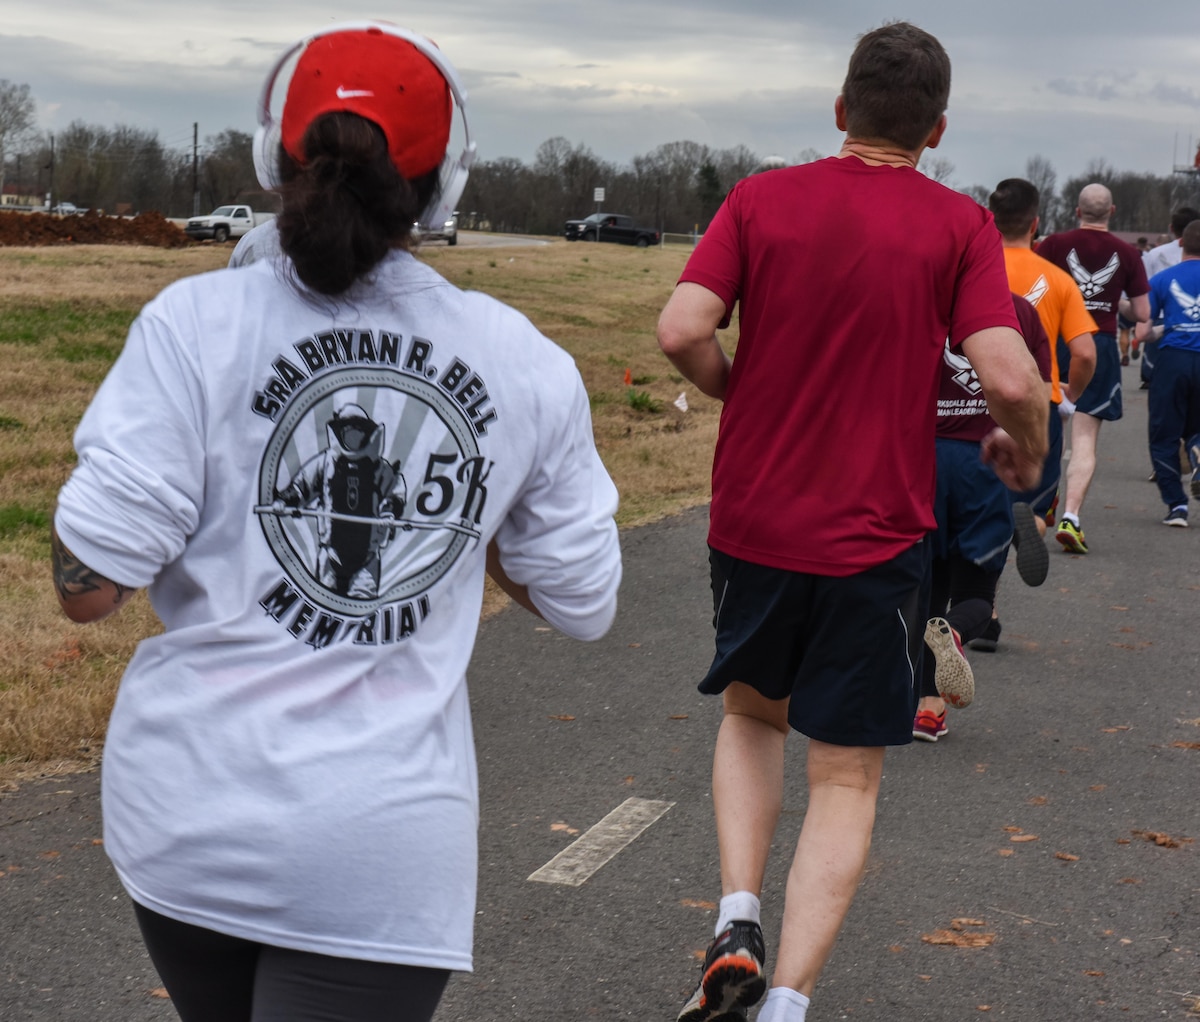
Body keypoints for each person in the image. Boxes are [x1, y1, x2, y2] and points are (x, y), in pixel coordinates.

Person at [50, 23, 621, 1022]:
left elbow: (87, 585)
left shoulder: (191, 324)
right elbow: (583, 600)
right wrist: (460, 505)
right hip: (379, 851)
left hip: (185, 822)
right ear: (442, 187)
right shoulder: (521, 360)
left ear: (275, 158)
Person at [655, 22, 1047, 1022]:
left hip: (754, 520)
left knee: (750, 714)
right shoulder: (956, 224)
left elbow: (680, 327)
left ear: (840, 110)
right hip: (877, 534)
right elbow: (1008, 375)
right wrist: (1028, 454)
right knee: (847, 776)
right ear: (936, 130)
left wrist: (736, 388)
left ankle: (735, 914)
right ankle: (787, 1000)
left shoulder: (760, 198)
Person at [965, 179, 1098, 651]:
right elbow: (1083, 352)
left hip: (968, 398)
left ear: (989, 217)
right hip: (1036, 401)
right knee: (1026, 502)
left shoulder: (967, 269)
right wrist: (1067, 394)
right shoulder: (1057, 279)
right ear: (1036, 223)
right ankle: (1032, 527)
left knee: (973, 503)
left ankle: (985, 613)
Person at [913, 294, 1053, 740]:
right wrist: (1035, 460)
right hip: (986, 459)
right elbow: (1034, 392)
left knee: (927, 589)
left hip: (922, 463)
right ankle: (956, 634)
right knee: (975, 591)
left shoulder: (919, 300)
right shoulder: (1019, 312)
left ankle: (927, 710)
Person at [1036, 183, 1150, 553]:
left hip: (1055, 341)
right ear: (1112, 211)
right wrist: (1114, 303)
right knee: (1085, 438)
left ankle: (1044, 500)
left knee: (1052, 427)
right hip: (1096, 342)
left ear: (1076, 211)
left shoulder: (1052, 245)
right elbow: (1143, 313)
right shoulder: (1128, 253)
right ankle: (1072, 517)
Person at [1139, 219, 1200, 524]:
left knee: (1164, 432)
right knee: (1197, 427)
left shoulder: (1163, 279)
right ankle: (1198, 450)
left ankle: (1177, 506)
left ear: (1181, 244)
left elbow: (1142, 332)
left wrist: (1167, 329)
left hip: (1173, 359)